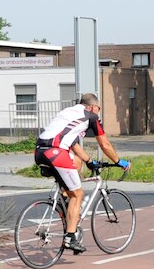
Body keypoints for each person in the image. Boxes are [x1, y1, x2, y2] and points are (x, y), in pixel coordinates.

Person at [35, 93, 130, 253]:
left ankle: (65, 204)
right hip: (56, 152)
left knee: (76, 165)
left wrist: (88, 160)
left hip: (39, 151)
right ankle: (69, 238)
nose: (97, 113)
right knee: (78, 194)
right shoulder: (91, 116)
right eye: (98, 110)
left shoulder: (67, 113)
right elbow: (105, 144)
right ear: (92, 107)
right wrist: (118, 161)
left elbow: (71, 142)